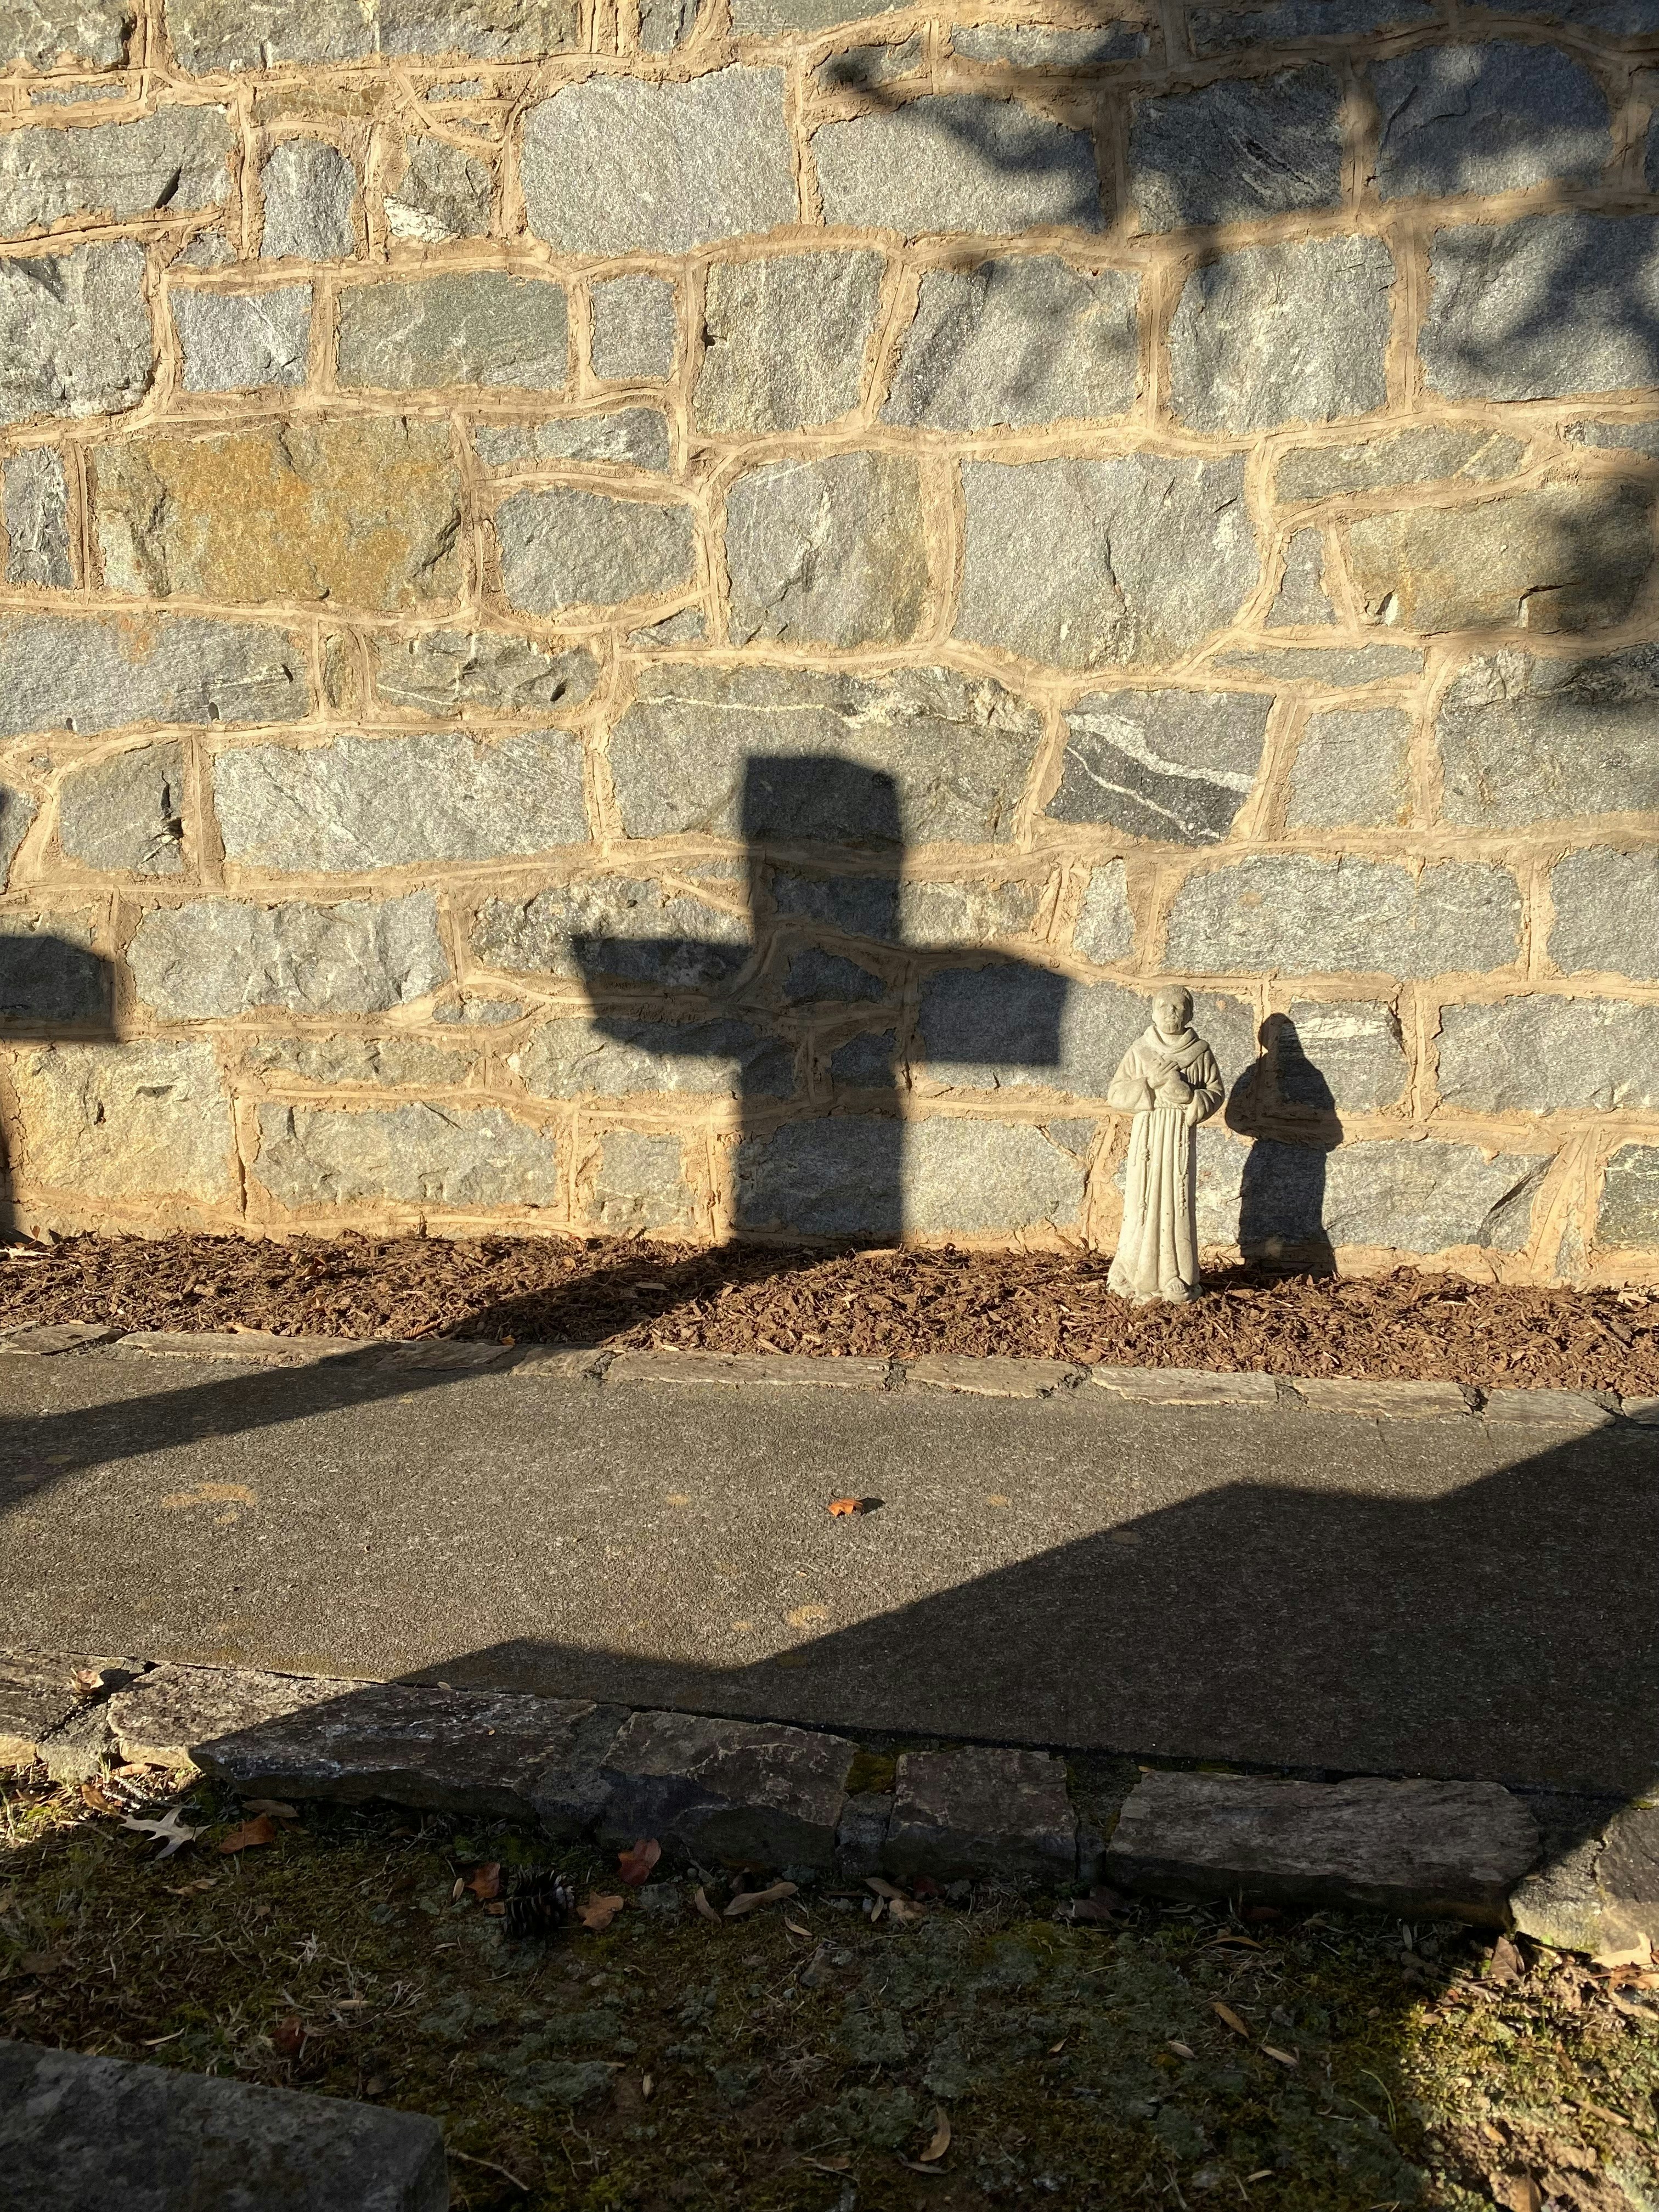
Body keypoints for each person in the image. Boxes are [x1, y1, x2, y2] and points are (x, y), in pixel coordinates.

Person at [1107, 983, 1223, 1304]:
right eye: (1164, 1006)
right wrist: (1150, 1083)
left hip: (1178, 1136)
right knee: (1141, 1198)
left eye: (1178, 1007)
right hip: (1149, 1132)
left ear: (1190, 1013)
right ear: (1153, 1011)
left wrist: (1192, 1098)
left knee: (1175, 1197)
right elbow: (1116, 1094)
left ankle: (1176, 1273)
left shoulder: (1200, 1052)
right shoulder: (1140, 1050)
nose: (1171, 1012)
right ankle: (1133, 1270)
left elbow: (1214, 1093)